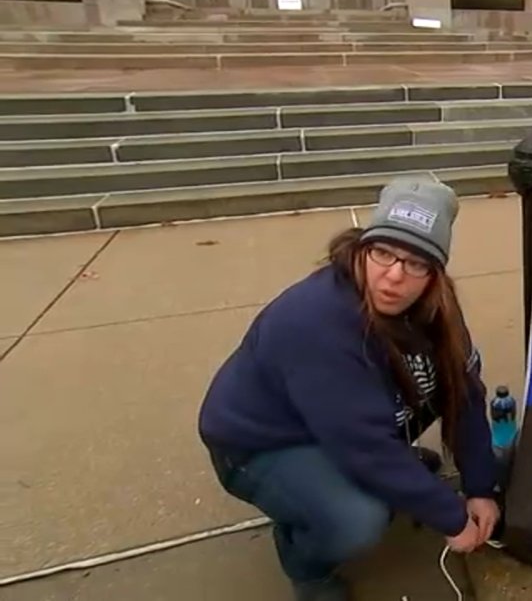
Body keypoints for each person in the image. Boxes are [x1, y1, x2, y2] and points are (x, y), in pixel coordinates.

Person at [197, 175, 499, 601]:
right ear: (362, 247)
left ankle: (388, 473)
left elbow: (464, 395)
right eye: (383, 252)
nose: (394, 277)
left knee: (398, 444)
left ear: (435, 273)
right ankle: (305, 565)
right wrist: (450, 517)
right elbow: (364, 445)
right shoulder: (316, 322)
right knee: (357, 519)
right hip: (261, 443)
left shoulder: (437, 307)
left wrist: (481, 488)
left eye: (416, 263)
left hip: (344, 426)